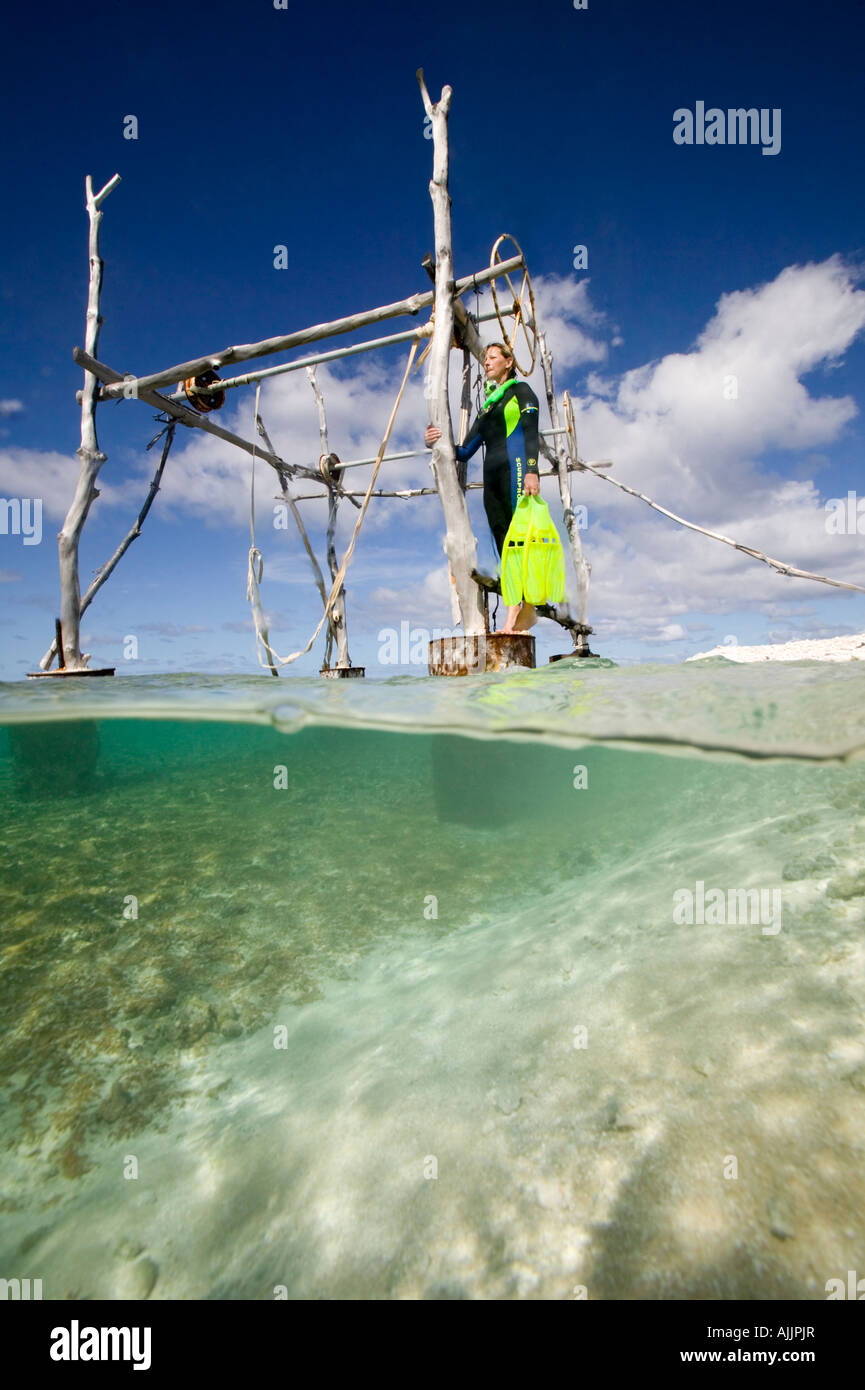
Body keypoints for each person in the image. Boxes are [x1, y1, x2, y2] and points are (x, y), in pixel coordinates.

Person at [425, 342, 541, 633]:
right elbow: (464, 451)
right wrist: (436, 441)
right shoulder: (487, 407)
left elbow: (530, 432)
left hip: (516, 473)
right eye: (485, 358)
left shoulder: (521, 392)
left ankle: (515, 613)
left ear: (508, 361)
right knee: (502, 543)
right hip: (493, 483)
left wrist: (532, 470)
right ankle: (519, 608)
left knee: (517, 541)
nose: (486, 362)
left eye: (492, 357)